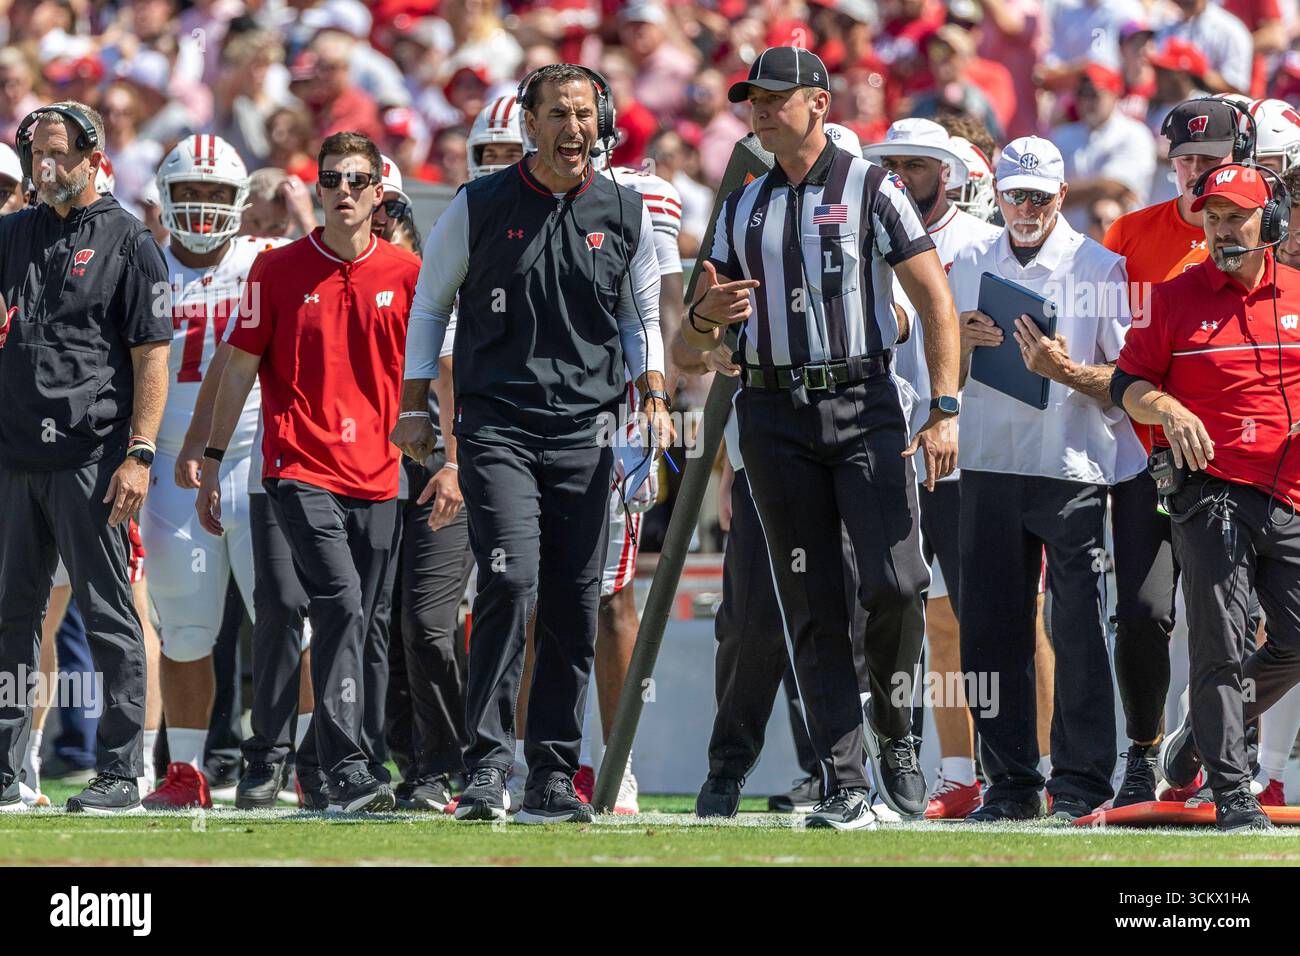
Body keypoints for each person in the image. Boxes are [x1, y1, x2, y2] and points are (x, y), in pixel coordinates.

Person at [683, 47, 961, 830]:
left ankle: (897, 732)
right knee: (809, 601)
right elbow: (689, 342)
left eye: (776, 96)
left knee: (898, 583)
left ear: (819, 104)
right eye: (751, 99)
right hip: (774, 416)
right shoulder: (740, 204)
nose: (760, 110)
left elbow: (933, 297)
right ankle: (844, 778)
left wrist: (944, 406)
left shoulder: (874, 186)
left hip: (866, 398)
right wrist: (710, 318)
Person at [395, 63, 669, 825]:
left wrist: (652, 394)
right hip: (499, 429)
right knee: (512, 584)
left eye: (585, 114)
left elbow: (640, 316)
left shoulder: (625, 208)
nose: (574, 129)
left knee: (577, 605)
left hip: (591, 431)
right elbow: (430, 306)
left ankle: (552, 772)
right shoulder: (479, 204)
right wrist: (416, 405)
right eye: (558, 114)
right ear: (529, 124)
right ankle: (488, 769)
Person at [200, 131, 422, 814]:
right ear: (317, 189)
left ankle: (322, 767)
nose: (345, 191)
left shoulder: (409, 275)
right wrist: (210, 459)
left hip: (382, 473)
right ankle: (348, 764)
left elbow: (437, 373)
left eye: (358, 180)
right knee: (339, 605)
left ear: (379, 190)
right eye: (333, 179)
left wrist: (447, 462)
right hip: (297, 465)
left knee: (359, 623)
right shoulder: (275, 268)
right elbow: (238, 365)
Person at [952, 136, 1147, 821]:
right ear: (997, 194)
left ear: (1063, 196)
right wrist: (958, 339)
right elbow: (930, 369)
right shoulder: (968, 257)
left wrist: (1068, 370)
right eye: (1015, 195)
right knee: (989, 631)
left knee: (1080, 630)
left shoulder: (1101, 266)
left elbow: (1129, 381)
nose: (1027, 207)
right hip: (986, 461)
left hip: (1072, 466)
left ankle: (1082, 782)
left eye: (1039, 195)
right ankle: (1007, 785)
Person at [1113, 161, 1300, 831]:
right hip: (1208, 492)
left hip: (1289, 494)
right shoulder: (1174, 297)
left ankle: (1198, 736)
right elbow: (1125, 382)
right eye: (1214, 217)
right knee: (1217, 642)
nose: (1225, 230)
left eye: (1238, 217)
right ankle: (1233, 794)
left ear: (1268, 222)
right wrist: (1167, 407)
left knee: (1295, 639)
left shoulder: (1299, 292)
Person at [0, 101, 171, 814]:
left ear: (93, 156)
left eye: (59, 152)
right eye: (36, 153)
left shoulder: (130, 241)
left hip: (94, 457)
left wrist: (139, 452)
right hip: (14, 456)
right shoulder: (10, 233)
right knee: (11, 618)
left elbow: (151, 355)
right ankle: (9, 771)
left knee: (109, 617)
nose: (46, 166)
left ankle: (121, 771)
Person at [136, 134, 291, 810]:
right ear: (164, 201)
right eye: (190, 193)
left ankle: (313, 760)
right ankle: (188, 770)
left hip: (256, 453)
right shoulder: (139, 265)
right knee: (186, 626)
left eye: (215, 194)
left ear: (241, 202)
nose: (201, 207)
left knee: (289, 619)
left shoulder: (268, 259)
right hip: (172, 463)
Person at [1100, 97, 1243, 804]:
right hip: (1141, 456)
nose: (1192, 173)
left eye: (1208, 161)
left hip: (1233, 462)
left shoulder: (1252, 238)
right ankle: (1141, 749)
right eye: (1184, 160)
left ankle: (1221, 759)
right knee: (1144, 610)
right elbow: (1102, 345)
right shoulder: (1127, 233)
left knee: (1233, 616)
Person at [862, 118, 1002, 819]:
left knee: (1008, 618)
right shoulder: (865, 239)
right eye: (890, 164)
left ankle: (1025, 767)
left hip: (977, 451)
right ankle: (955, 769)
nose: (900, 175)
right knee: (933, 620)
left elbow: (1018, 349)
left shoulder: (983, 243)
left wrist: (974, 356)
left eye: (914, 164)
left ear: (946, 172)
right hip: (895, 448)